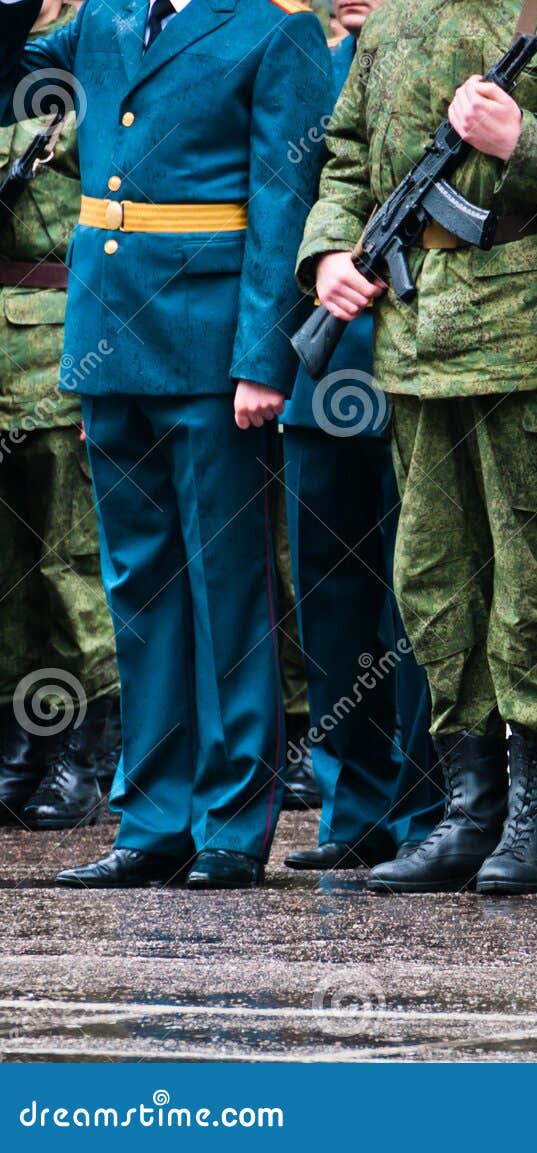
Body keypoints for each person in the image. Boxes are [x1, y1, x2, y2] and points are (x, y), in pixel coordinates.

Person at [0, 0, 329, 889]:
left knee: (228, 587)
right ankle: (152, 816)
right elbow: (11, 83)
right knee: (137, 587)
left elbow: (280, 197)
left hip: (209, 345)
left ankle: (229, 820)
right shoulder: (103, 22)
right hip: (110, 342)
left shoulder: (271, 30)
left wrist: (262, 358)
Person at [300, 0, 537, 895]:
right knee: (433, 581)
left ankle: (529, 822)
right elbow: (348, 156)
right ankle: (468, 809)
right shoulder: (394, 19)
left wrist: (527, 144)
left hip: (531, 339)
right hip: (417, 344)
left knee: (533, 586)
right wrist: (330, 252)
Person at [279, 0, 444, 872]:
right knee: (333, 594)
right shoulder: (303, 58)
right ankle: (354, 806)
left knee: (416, 594)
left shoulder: (454, 44)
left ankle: (425, 806)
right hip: (322, 360)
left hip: (420, 354)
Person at [0, 0, 119, 831]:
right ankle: (24, 741)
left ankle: (89, 749)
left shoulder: (87, 62)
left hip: (59, 353)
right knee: (11, 576)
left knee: (68, 559)